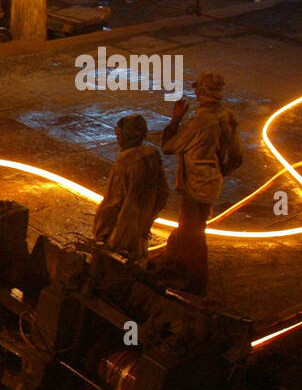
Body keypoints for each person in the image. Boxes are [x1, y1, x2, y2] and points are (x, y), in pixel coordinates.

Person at [158, 72, 243, 295]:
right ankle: (172, 263)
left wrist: (176, 118)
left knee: (193, 234)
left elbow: (168, 147)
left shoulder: (200, 122)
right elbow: (236, 158)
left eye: (198, 90)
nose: (195, 93)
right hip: (210, 183)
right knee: (187, 226)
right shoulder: (228, 116)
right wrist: (218, 174)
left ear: (202, 93)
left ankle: (196, 283)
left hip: (195, 184)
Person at [93, 114, 170, 261]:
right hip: (142, 226)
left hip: (122, 231)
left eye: (119, 135)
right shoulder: (152, 155)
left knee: (116, 269)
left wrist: (101, 234)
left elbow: (113, 202)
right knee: (138, 261)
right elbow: (163, 192)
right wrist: (149, 218)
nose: (117, 139)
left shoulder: (124, 162)